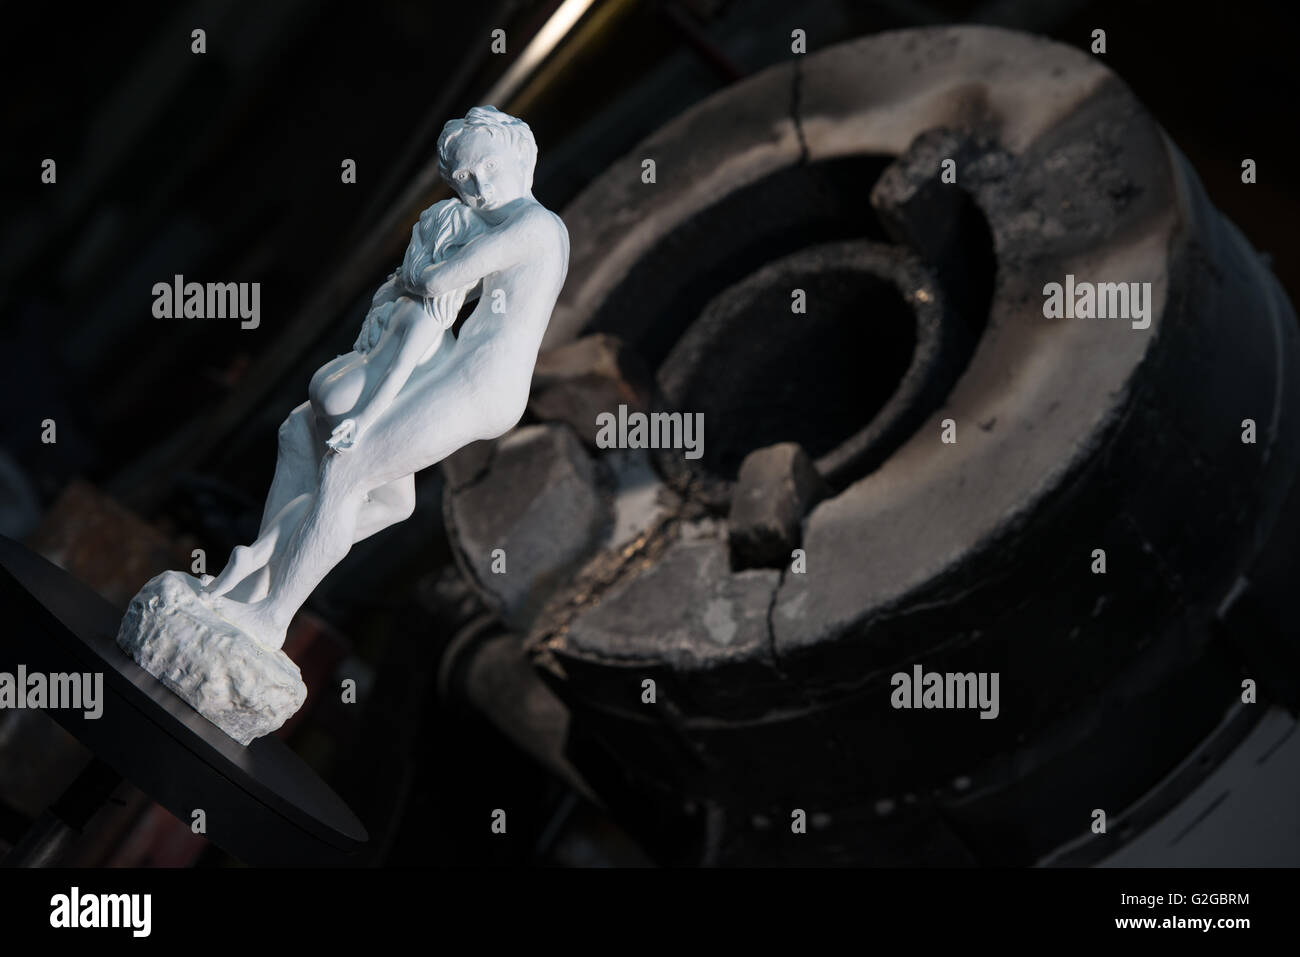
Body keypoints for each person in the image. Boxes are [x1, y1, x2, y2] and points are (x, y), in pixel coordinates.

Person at [200, 106, 569, 649]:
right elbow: (444, 291)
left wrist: (416, 266)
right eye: (462, 179)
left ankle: (272, 617)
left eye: (486, 167)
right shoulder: (502, 228)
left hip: (480, 385)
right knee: (309, 439)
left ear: (521, 155)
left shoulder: (535, 226)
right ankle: (259, 569)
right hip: (464, 373)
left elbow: (443, 278)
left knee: (347, 474)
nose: (478, 186)